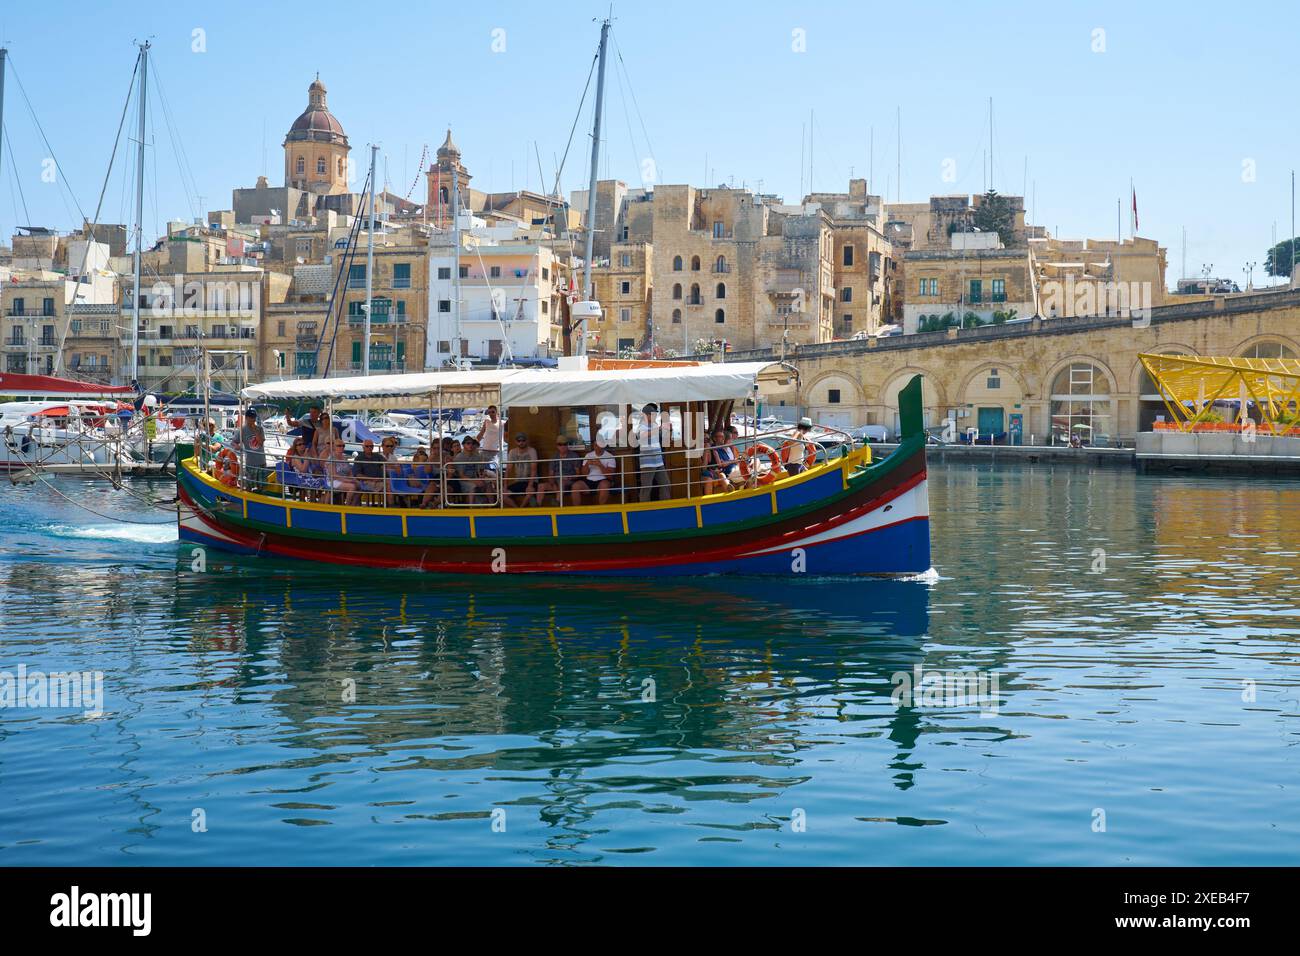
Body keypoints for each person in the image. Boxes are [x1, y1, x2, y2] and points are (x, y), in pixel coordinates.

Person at [539, 435, 589, 506]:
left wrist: (569, 478)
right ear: (557, 446)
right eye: (560, 444)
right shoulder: (554, 457)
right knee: (541, 486)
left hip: (569, 481)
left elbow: (578, 474)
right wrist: (552, 482)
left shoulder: (574, 456)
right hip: (556, 482)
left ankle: (557, 504)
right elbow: (551, 474)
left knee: (562, 481)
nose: (562, 446)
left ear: (567, 445)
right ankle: (537, 509)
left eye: (564, 444)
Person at [636, 403, 671, 502]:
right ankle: (644, 508)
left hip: (658, 461)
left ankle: (665, 505)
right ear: (646, 415)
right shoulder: (641, 426)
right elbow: (642, 435)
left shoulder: (654, 425)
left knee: (666, 484)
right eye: (653, 414)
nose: (655, 416)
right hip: (648, 462)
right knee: (646, 487)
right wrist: (659, 428)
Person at [452, 435, 492, 504]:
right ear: (463, 445)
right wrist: (475, 481)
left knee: (488, 483)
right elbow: (461, 476)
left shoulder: (477, 457)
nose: (470, 445)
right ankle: (471, 509)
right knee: (472, 487)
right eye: (468, 443)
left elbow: (480, 471)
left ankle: (492, 505)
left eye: (472, 443)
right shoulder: (459, 458)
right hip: (463, 481)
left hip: (474, 478)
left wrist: (481, 477)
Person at [235, 409, 268, 490]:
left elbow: (260, 442)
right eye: (250, 417)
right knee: (249, 486)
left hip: (261, 462)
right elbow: (234, 442)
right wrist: (237, 446)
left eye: (254, 417)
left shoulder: (260, 429)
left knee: (262, 486)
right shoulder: (242, 430)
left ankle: (261, 500)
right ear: (246, 418)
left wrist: (255, 430)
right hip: (250, 463)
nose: (252, 419)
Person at [504, 431, 539, 507]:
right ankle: (517, 510)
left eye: (523, 440)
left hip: (531, 481)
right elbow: (508, 470)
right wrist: (505, 486)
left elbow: (534, 469)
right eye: (519, 441)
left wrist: (530, 485)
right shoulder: (512, 452)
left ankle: (521, 509)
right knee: (502, 495)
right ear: (515, 441)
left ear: (527, 441)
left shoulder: (532, 451)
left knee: (530, 492)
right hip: (519, 481)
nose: (521, 442)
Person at [583, 436, 618, 505]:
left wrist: (600, 465)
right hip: (588, 482)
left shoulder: (610, 456)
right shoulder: (588, 455)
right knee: (576, 486)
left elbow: (610, 476)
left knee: (604, 485)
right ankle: (577, 512)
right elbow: (584, 474)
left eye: (599, 445)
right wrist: (587, 465)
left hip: (603, 480)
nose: (597, 447)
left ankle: (601, 510)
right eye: (595, 445)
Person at [700, 429, 736, 495]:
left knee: (722, 475)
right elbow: (704, 468)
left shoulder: (715, 450)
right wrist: (706, 450)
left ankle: (729, 493)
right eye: (704, 440)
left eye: (707, 439)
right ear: (714, 438)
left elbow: (718, 464)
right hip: (707, 472)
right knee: (710, 477)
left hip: (716, 471)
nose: (722, 439)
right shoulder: (700, 451)